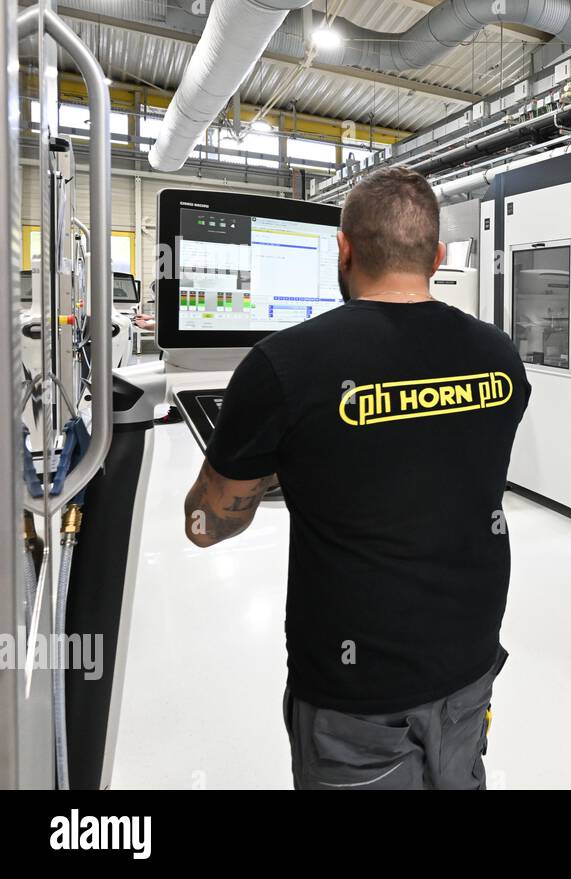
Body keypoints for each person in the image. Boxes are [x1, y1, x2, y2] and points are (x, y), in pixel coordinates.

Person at [183, 165, 530, 788]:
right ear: (437, 257)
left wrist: (287, 460)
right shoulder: (500, 354)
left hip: (357, 690)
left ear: (342, 250)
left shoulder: (282, 364)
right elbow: (450, 456)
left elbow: (207, 524)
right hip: (470, 658)